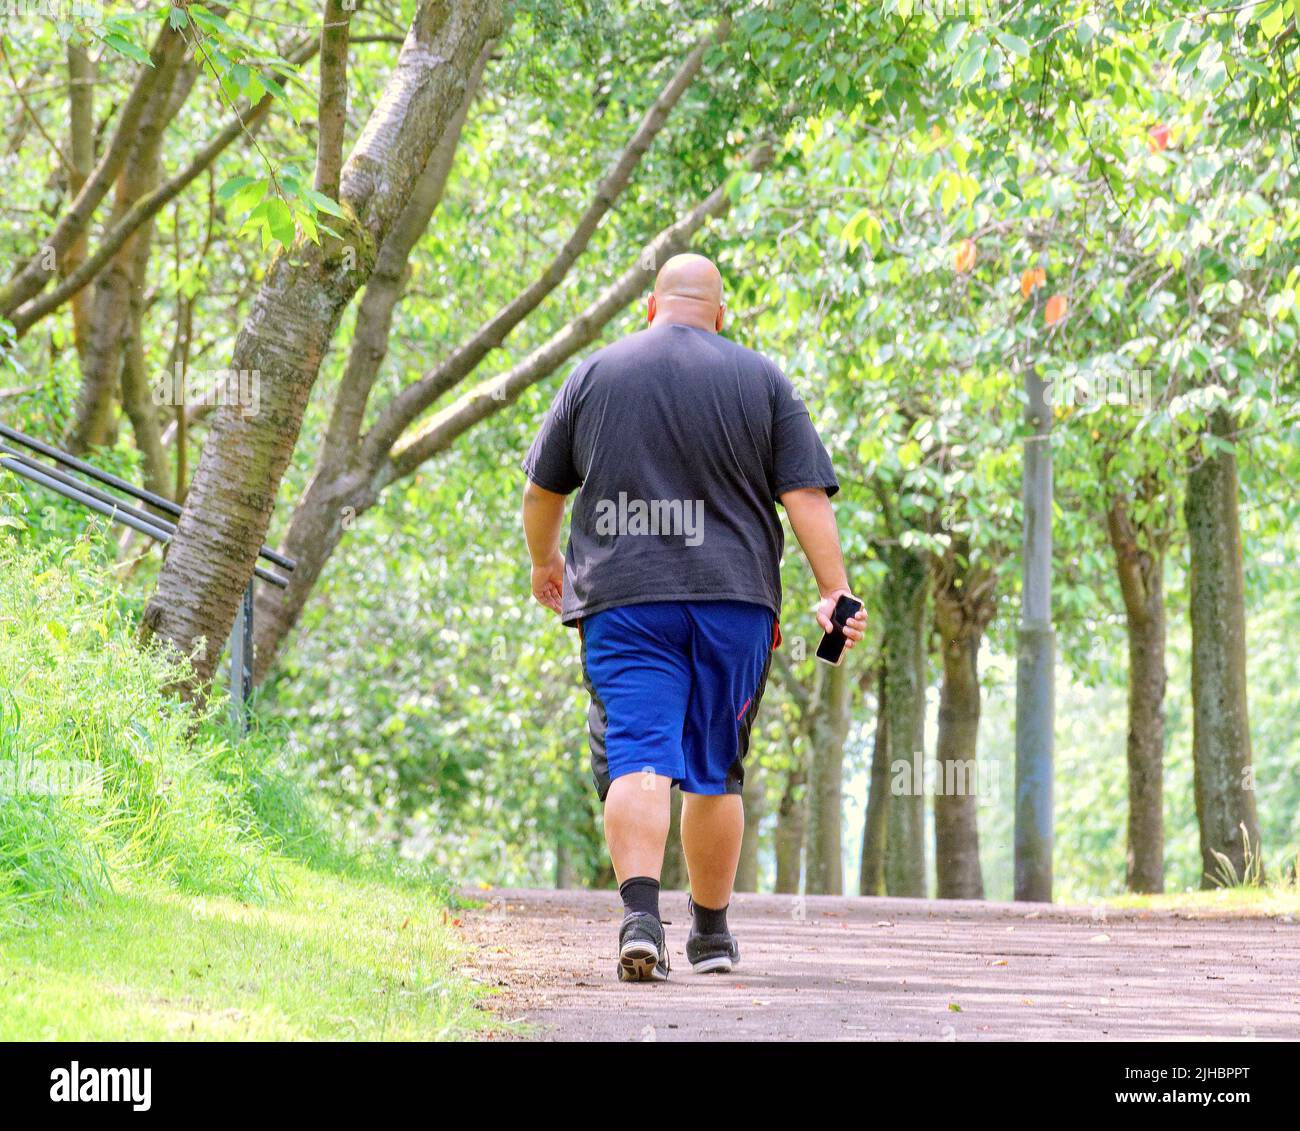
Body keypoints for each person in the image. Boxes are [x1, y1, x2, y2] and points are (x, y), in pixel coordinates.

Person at [521, 252, 866, 982]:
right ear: (721, 313)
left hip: (626, 599)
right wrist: (834, 590)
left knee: (640, 752)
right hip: (733, 602)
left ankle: (640, 918)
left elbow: (541, 489)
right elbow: (807, 496)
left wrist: (545, 561)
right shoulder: (762, 378)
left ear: (650, 308)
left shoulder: (595, 374)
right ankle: (710, 937)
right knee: (715, 772)